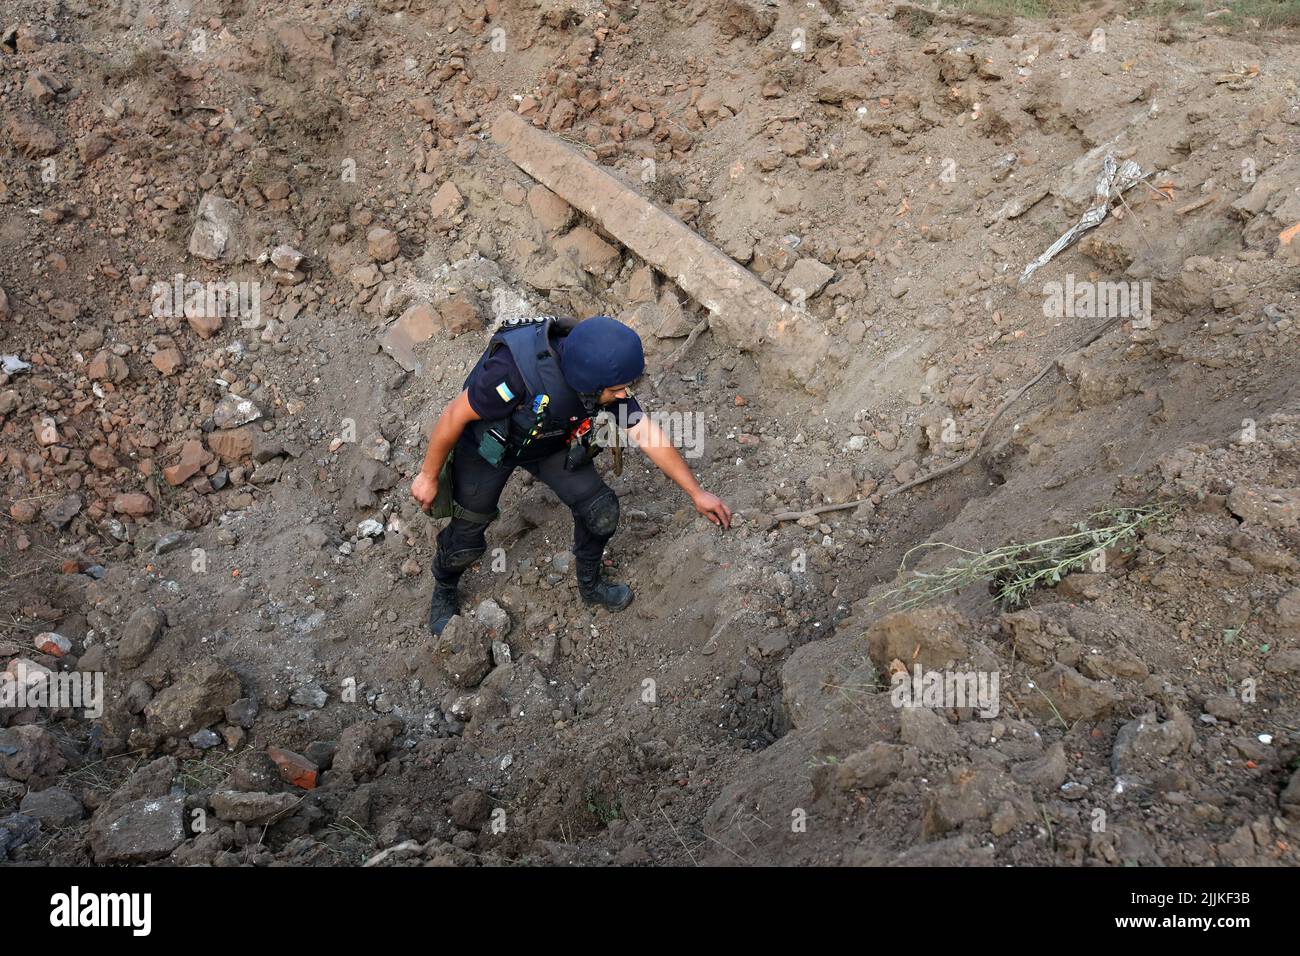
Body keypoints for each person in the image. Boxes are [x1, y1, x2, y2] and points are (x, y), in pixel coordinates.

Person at [411, 314, 732, 635]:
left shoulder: (597, 374)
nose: (624, 395)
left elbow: (646, 434)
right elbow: (453, 415)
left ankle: (591, 585)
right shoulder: (510, 375)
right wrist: (428, 475)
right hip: (489, 447)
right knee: (464, 542)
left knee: (601, 512)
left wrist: (696, 492)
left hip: (549, 443)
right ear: (588, 382)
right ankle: (445, 586)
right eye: (618, 389)